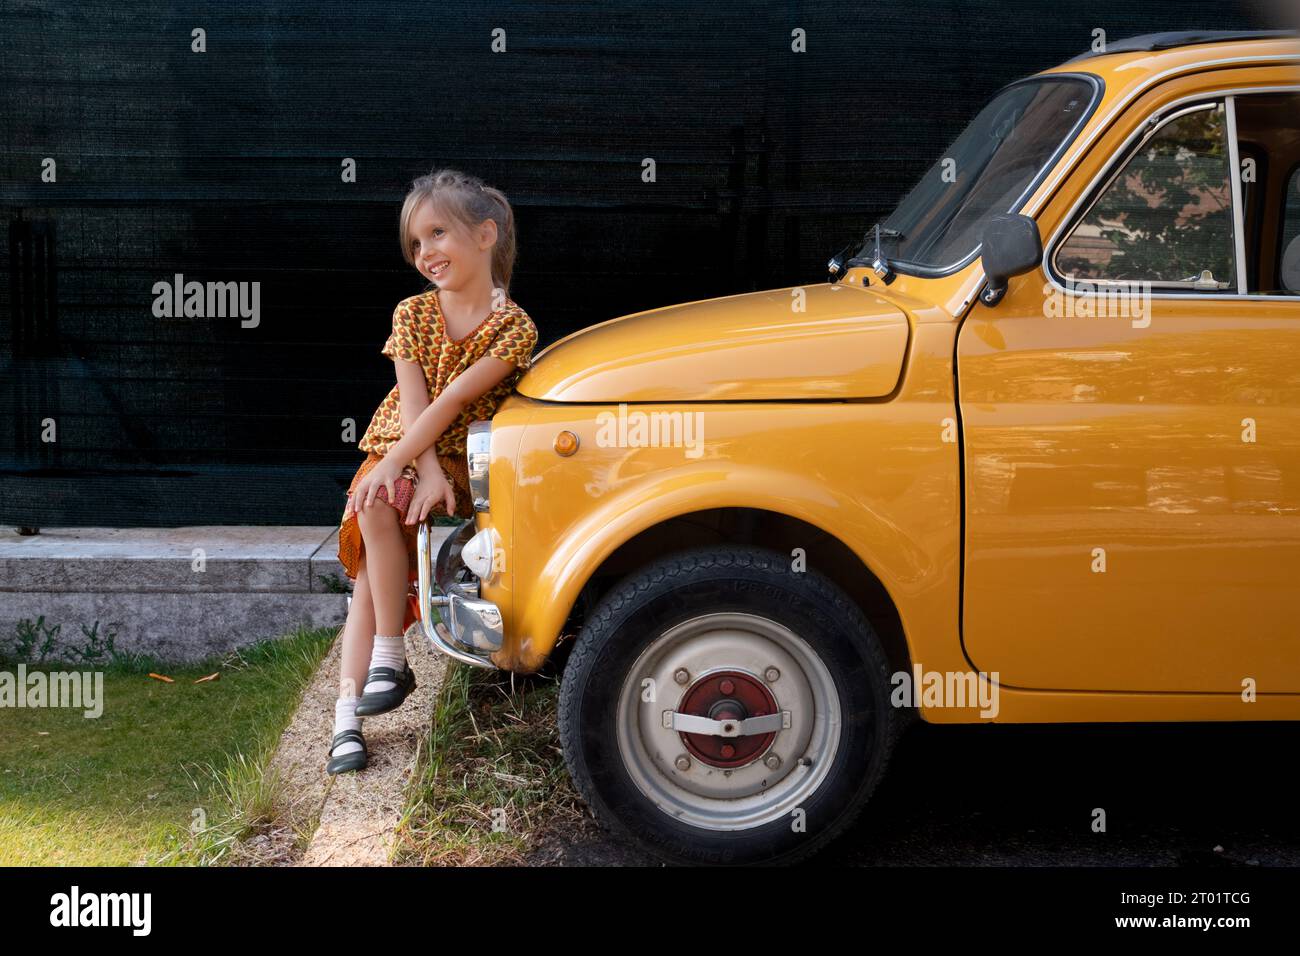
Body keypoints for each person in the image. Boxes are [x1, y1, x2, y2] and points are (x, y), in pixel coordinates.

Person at [327, 169, 537, 775]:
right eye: (416, 244)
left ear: (485, 235)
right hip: (404, 447)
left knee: (373, 558)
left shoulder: (512, 327)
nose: (425, 254)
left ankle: (361, 699)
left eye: (438, 234)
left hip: (455, 458)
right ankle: (375, 677)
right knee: (370, 545)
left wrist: (427, 470)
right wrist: (405, 464)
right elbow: (415, 401)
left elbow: (450, 406)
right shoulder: (412, 312)